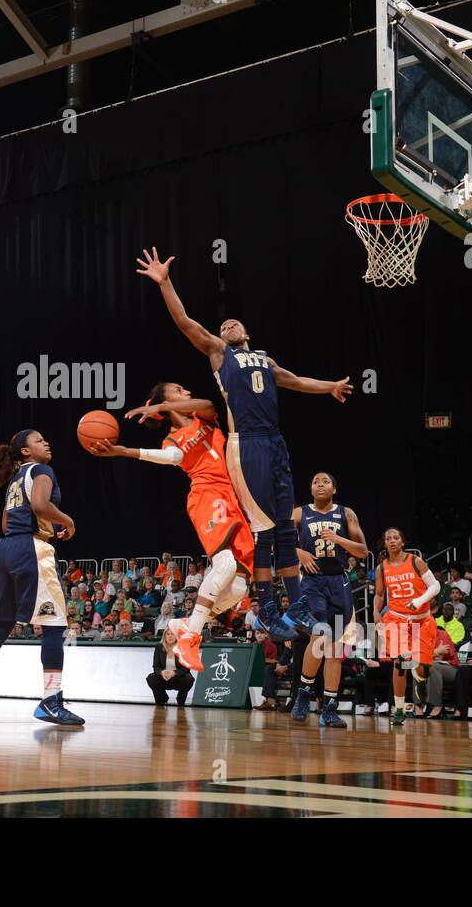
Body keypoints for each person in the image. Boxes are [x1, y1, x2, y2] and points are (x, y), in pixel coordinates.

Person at [136, 246, 350, 639]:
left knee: (285, 525)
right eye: (224, 326)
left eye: (234, 324)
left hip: (274, 442)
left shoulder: (266, 362)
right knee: (264, 528)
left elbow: (300, 381)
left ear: (247, 334)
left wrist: (331, 386)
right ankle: (266, 606)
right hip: (245, 442)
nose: (228, 326)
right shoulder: (220, 354)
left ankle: (295, 602)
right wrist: (165, 283)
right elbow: (185, 323)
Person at [93, 382, 255, 671]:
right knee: (226, 565)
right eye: (178, 390)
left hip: (234, 496)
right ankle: (191, 637)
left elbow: (207, 404)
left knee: (240, 588)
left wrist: (165, 406)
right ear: (160, 401)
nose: (187, 392)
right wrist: (123, 451)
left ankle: (183, 624)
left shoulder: (201, 417)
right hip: (207, 494)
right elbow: (173, 458)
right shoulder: (172, 439)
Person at [0, 430, 82, 724]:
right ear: (25, 451)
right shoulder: (41, 469)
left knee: (1, 625)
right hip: (31, 549)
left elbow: (6, 521)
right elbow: (40, 506)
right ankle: (51, 701)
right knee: (53, 624)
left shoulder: (14, 478)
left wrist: (42, 526)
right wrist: (68, 521)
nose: (46, 442)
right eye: (39, 440)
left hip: (6, 549)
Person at [288, 472, 368, 728]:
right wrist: (298, 551)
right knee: (319, 635)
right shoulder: (299, 513)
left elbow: (363, 551)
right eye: (315, 482)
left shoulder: (347, 514)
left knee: (334, 647)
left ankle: (329, 709)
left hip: (339, 582)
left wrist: (338, 539)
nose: (320, 484)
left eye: (325, 482)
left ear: (334, 488)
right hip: (312, 582)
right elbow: (278, 543)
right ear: (311, 490)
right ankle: (304, 693)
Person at [372, 527, 441, 725]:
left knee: (423, 669)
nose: (392, 541)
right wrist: (377, 613)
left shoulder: (415, 561)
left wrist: (419, 601)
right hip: (397, 620)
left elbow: (435, 586)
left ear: (403, 542)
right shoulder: (382, 568)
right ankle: (399, 709)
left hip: (423, 620)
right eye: (388, 538)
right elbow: (379, 594)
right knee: (399, 664)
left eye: (396, 537)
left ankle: (421, 680)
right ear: (384, 544)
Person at [147, 625, 194, 706]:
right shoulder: (159, 647)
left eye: (172, 634)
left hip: (177, 678)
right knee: (151, 678)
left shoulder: (183, 647)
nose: (170, 636)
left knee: (188, 679)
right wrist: (162, 672)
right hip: (164, 677)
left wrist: (174, 673)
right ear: (164, 636)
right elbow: (156, 667)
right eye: (168, 634)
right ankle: (162, 698)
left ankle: (180, 699)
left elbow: (186, 668)